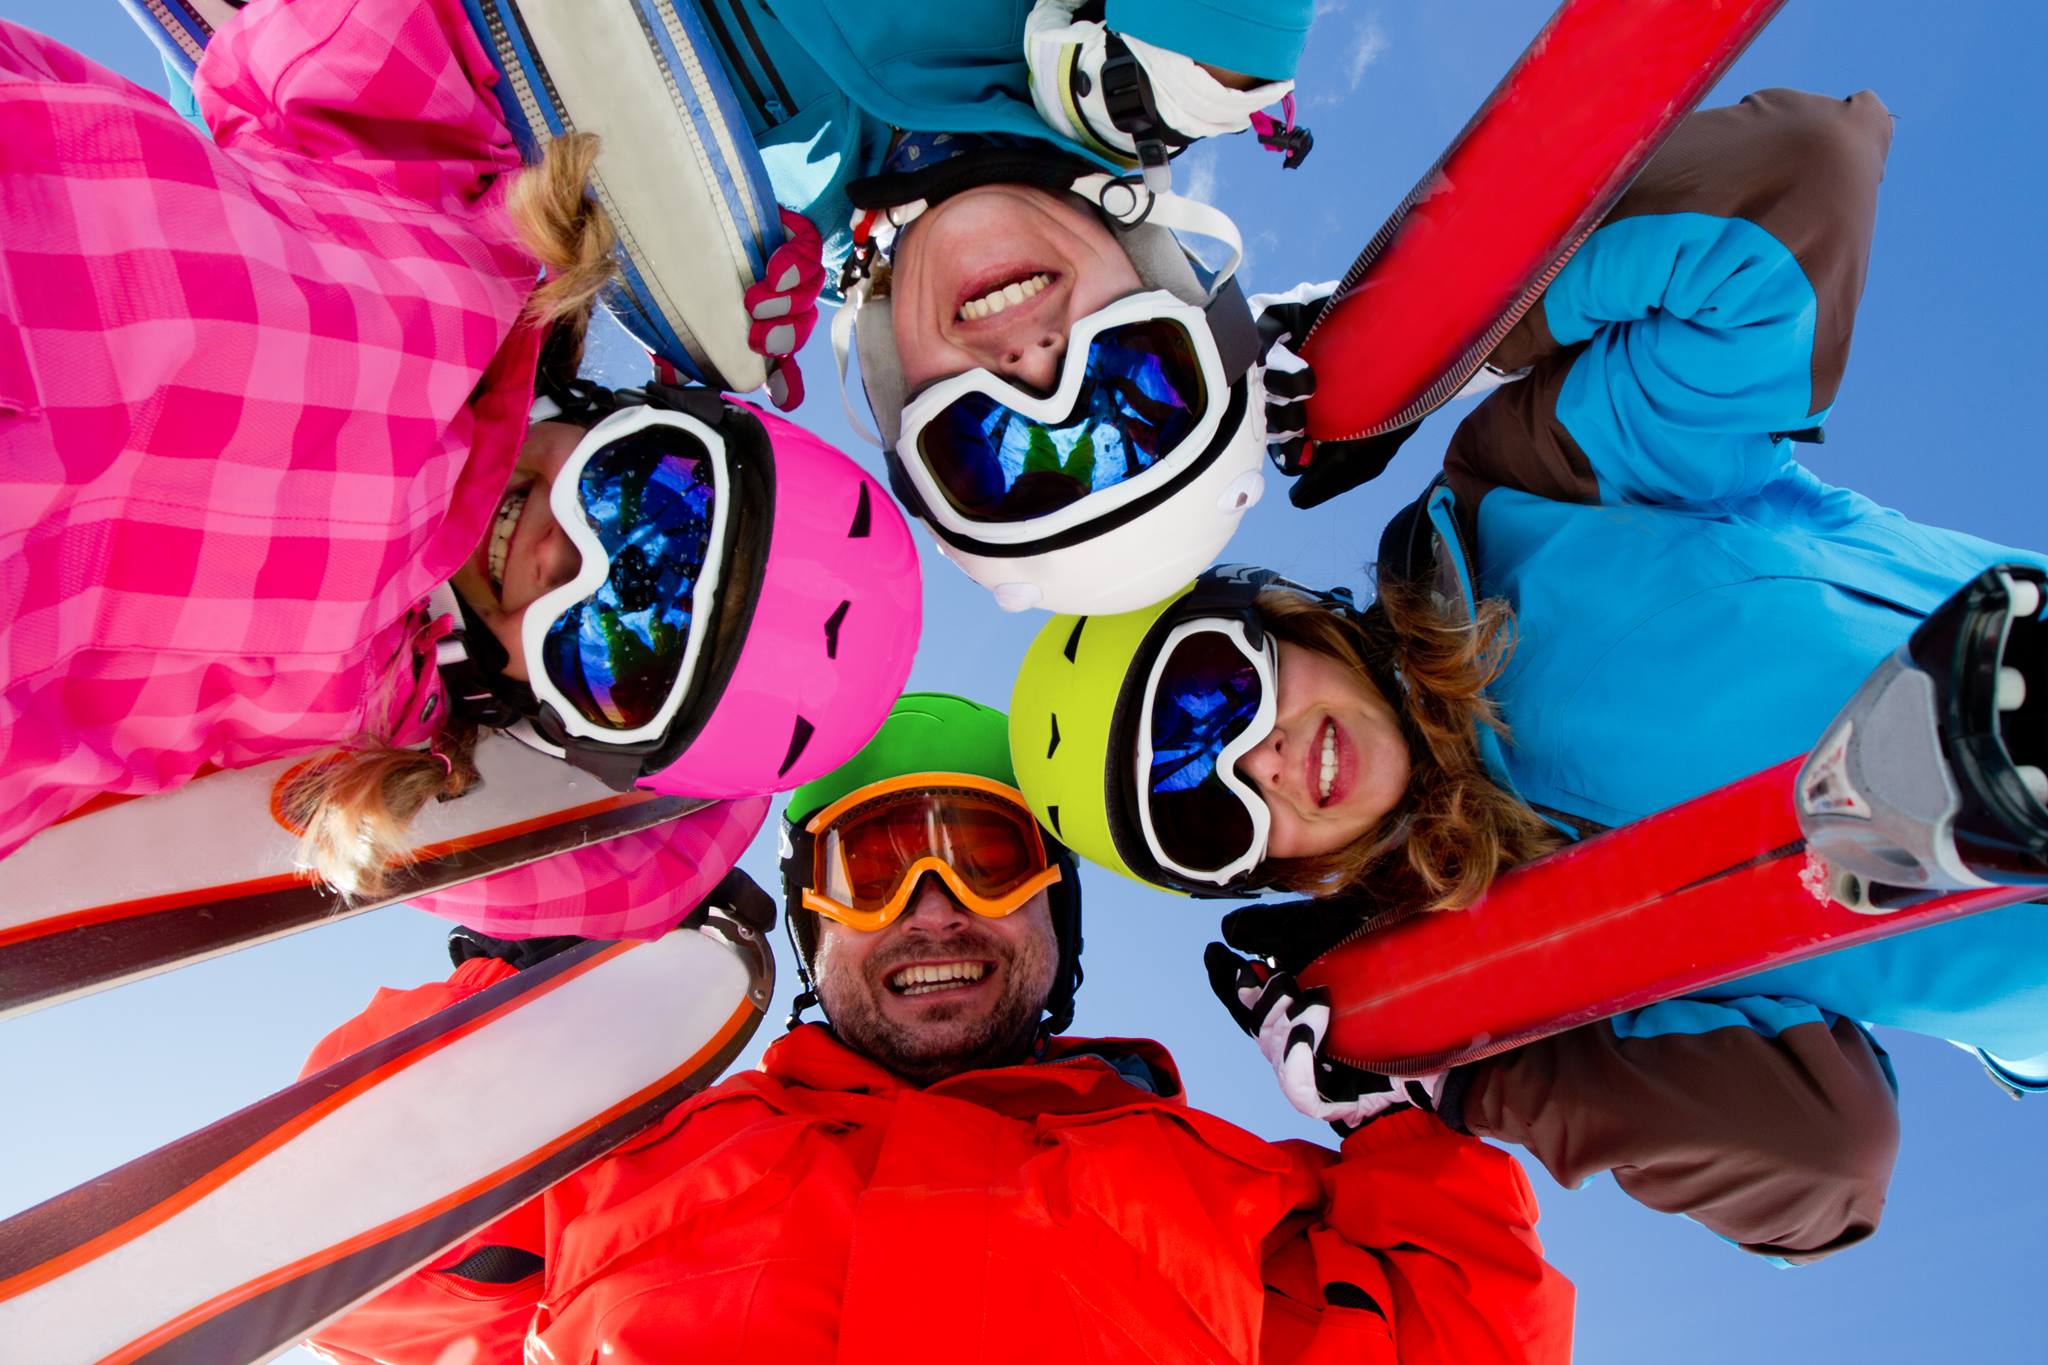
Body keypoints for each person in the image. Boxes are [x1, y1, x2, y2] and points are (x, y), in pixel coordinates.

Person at [1002, 87, 2048, 1259]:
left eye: (1208, 698)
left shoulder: (1532, 509)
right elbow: (1824, 1158)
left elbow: (1784, 202)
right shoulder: (1524, 954)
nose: (1259, 762)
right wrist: (1468, 1068)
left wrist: (1422, 333)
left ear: (1276, 616)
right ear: (1262, 874)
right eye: (1201, 810)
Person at [298, 691, 1574, 1363]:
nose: (932, 911)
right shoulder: (629, 1155)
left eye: (983, 856)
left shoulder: (1223, 1198)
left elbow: (1455, 1342)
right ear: (813, 925)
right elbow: (349, 1257)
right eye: (873, 866)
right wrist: (528, 991)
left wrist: (1397, 1128)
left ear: (1055, 916)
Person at [0, 1, 922, 926]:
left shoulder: (343, 731)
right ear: (643, 410)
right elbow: (385, 39)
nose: (572, 560)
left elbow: (599, 861)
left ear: (553, 723)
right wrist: (683, 238)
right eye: (652, 502)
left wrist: (717, 826)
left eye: (617, 655)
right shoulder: (460, 225)